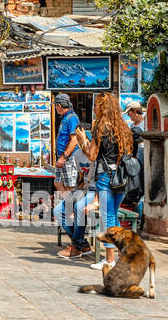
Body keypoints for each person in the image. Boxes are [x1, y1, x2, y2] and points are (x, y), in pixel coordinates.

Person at [75, 93, 136, 271]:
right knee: (113, 215)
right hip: (122, 178)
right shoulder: (123, 128)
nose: (93, 108)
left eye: (95, 105)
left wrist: (82, 141)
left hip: (106, 178)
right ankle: (120, 255)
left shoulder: (101, 126)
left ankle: (110, 260)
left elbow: (92, 155)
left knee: (106, 217)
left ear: (102, 107)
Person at [51, 93, 90, 259]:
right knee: (57, 183)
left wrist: (64, 156)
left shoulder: (72, 117)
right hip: (62, 161)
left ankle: (77, 242)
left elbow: (74, 140)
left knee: (69, 192)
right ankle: (80, 241)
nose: (55, 108)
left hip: (68, 160)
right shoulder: (65, 118)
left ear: (60, 105)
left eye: (56, 105)